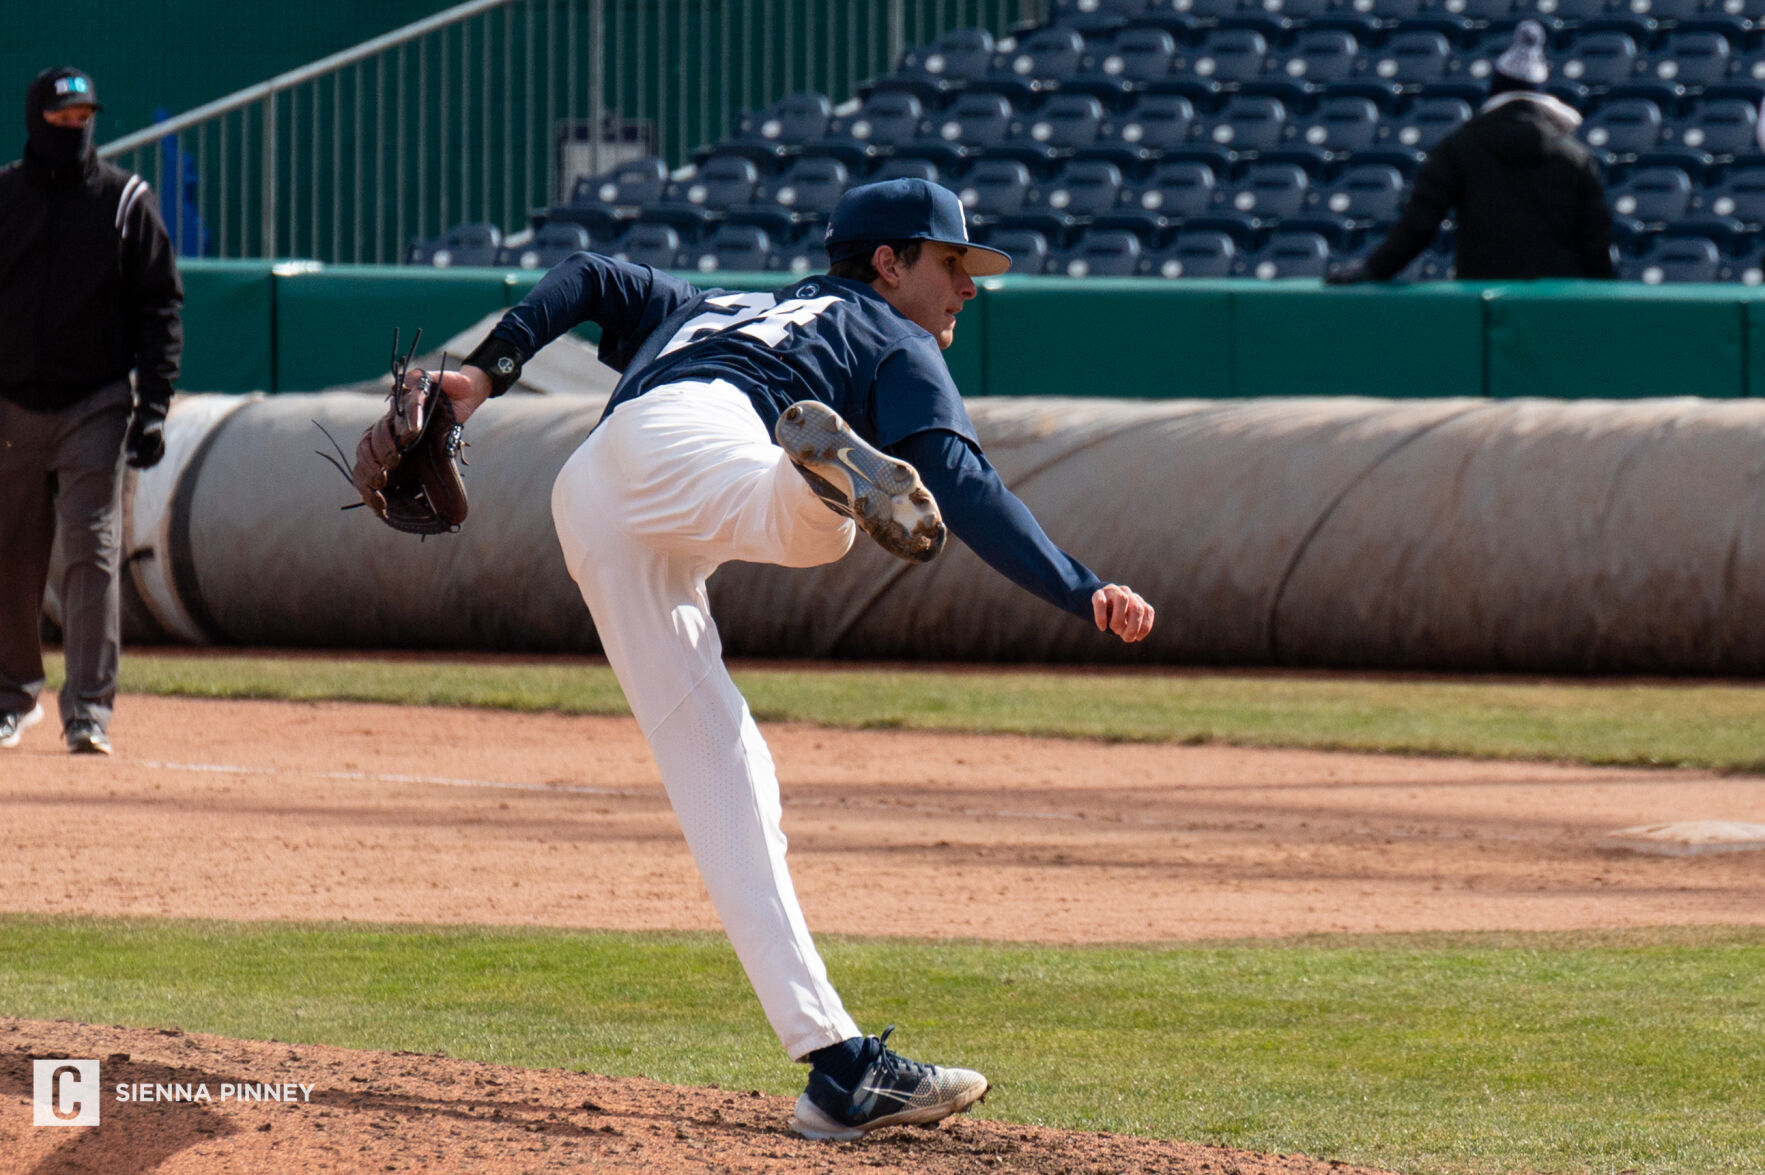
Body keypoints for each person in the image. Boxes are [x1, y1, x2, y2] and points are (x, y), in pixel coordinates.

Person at [419, 177, 1154, 1140]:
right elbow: (963, 483)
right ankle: (823, 477)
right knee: (822, 533)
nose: (967, 287)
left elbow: (592, 272)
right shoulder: (891, 334)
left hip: (595, 489)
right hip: (701, 448)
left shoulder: (719, 303)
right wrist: (1077, 583)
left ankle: (840, 1069)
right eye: (950, 263)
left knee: (728, 774)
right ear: (887, 264)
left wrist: (482, 373)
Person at [0, 68, 183, 755]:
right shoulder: (5, 198)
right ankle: (14, 695)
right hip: (13, 403)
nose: (74, 129)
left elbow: (160, 307)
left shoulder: (125, 201)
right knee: (10, 553)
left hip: (97, 403)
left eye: (84, 119)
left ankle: (88, 711)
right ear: (36, 118)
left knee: (92, 551)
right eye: (62, 118)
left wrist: (155, 404)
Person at [1326, 21, 1615, 284]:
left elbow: (1419, 224)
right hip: (1557, 305)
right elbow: (1596, 241)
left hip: (1482, 303)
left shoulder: (1460, 146)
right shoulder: (1575, 156)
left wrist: (1374, 270)